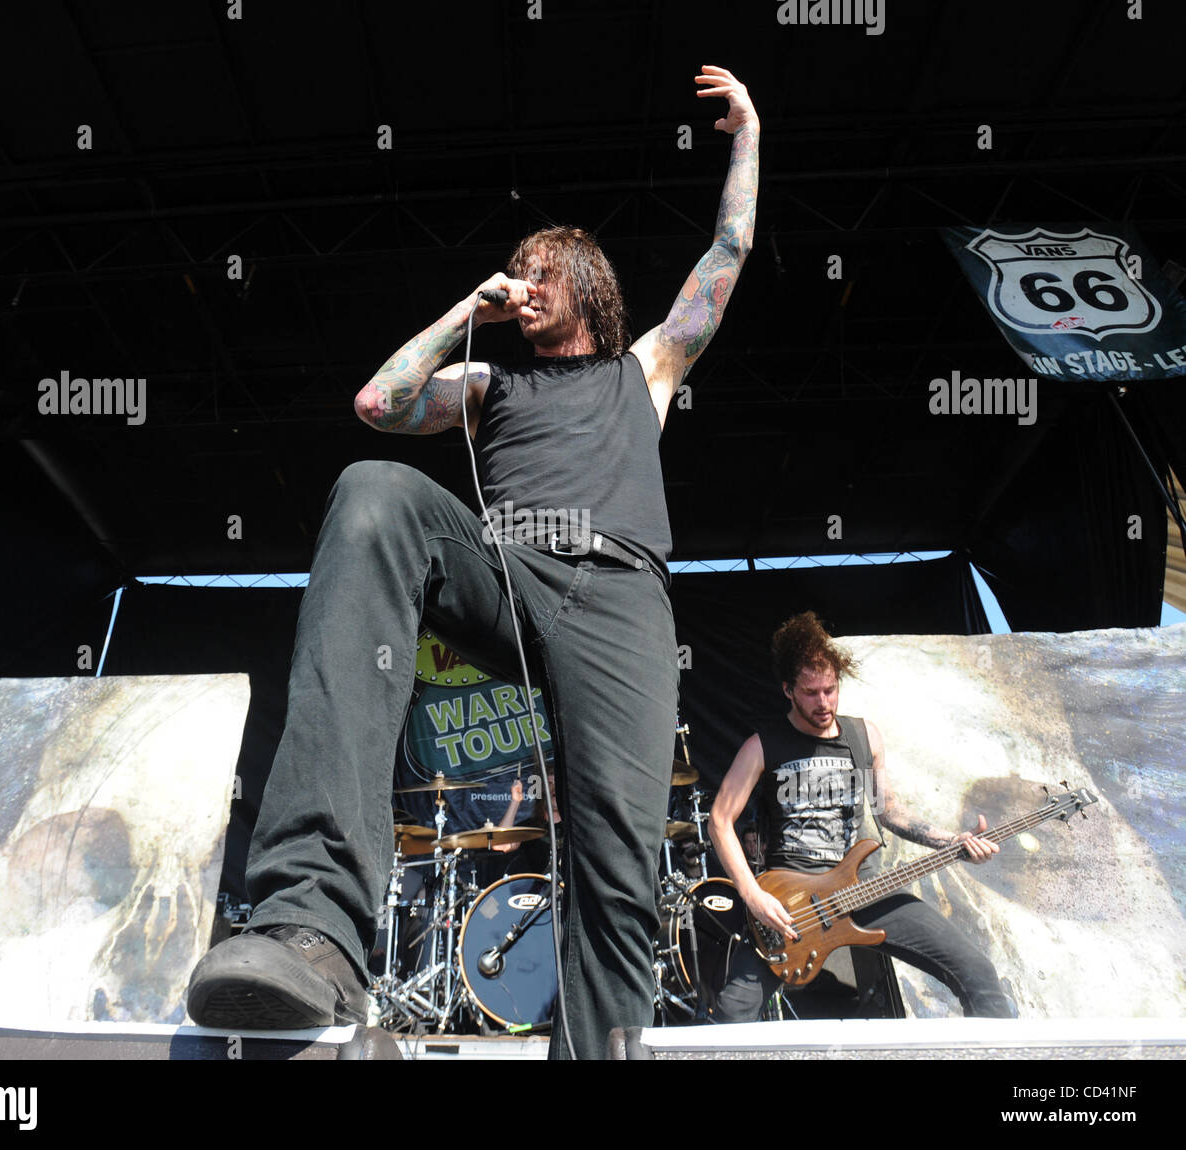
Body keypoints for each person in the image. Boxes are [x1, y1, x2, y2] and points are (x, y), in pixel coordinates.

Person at [187, 64, 760, 1059]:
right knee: (372, 492)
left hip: (617, 592)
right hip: (501, 572)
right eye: (517, 270)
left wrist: (747, 133)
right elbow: (379, 402)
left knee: (617, 855)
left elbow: (730, 246)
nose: (524, 285)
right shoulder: (491, 384)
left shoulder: (647, 366)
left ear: (588, 286)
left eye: (542, 273)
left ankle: (598, 1046)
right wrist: (469, 308)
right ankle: (309, 932)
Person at [708, 611, 1017, 1021]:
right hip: (794, 903)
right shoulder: (763, 746)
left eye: (831, 690)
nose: (824, 703)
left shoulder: (862, 736)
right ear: (788, 690)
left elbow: (886, 809)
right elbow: (719, 819)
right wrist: (753, 895)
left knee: (978, 972)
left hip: (863, 890)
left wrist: (951, 841)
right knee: (731, 1014)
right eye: (811, 692)